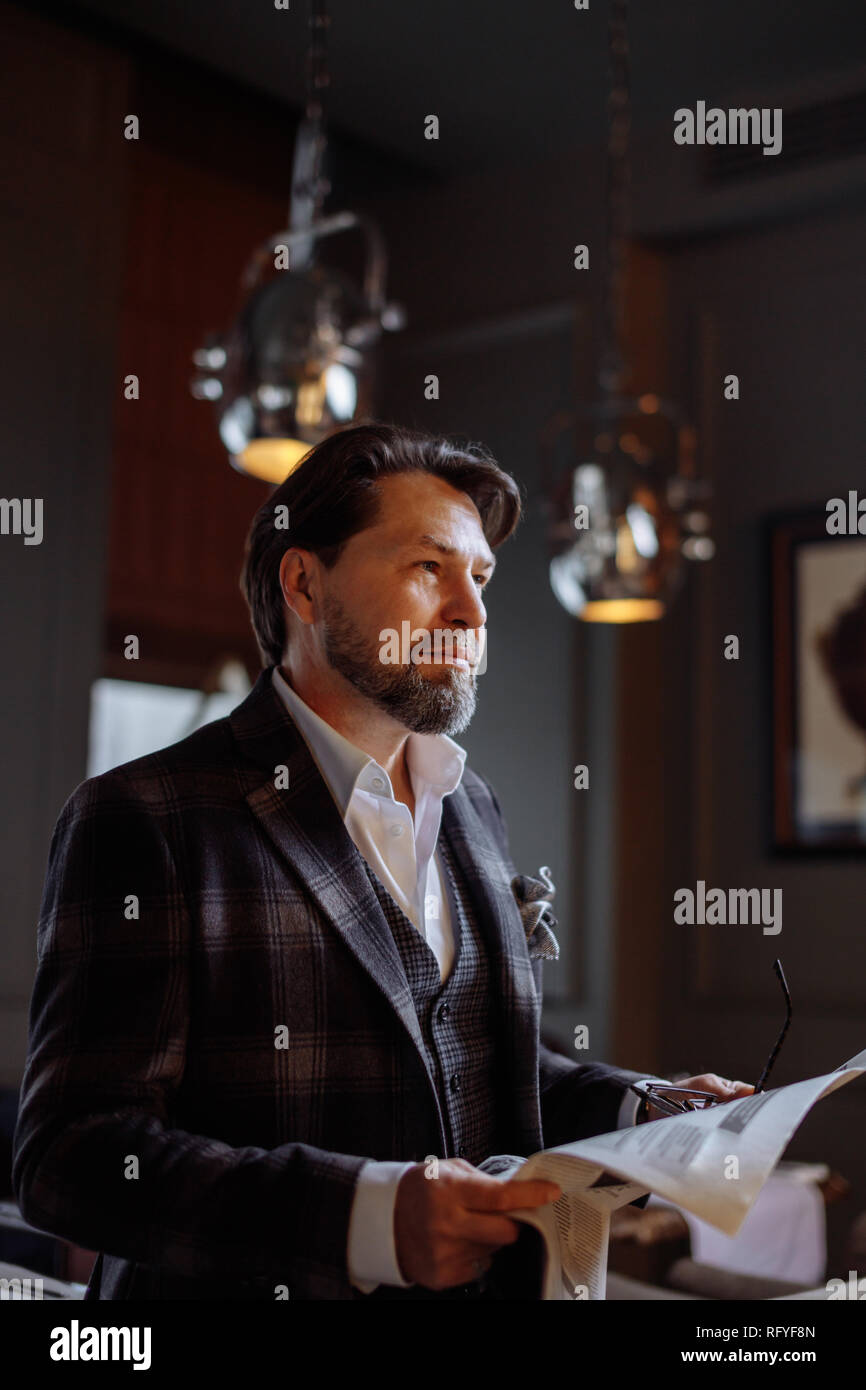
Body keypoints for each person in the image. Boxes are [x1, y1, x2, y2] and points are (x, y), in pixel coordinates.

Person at [12, 421, 752, 1300]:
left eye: (479, 578)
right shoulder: (145, 817)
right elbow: (74, 1157)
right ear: (305, 584)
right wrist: (363, 1219)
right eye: (428, 568)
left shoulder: (471, 805)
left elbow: (480, 1063)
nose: (471, 613)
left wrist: (644, 1109)